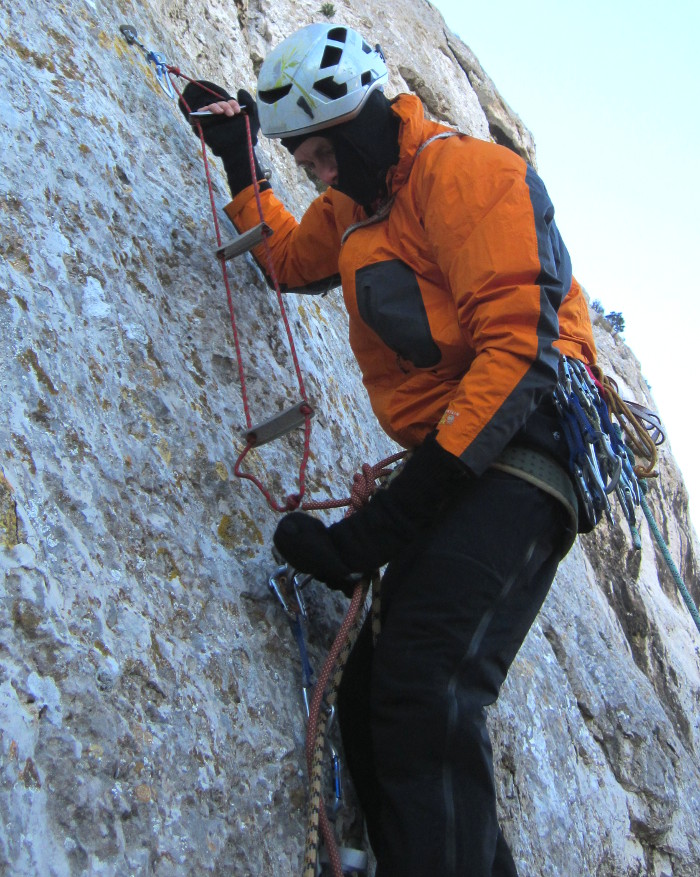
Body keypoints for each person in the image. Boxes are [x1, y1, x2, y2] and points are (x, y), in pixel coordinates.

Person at [180, 22, 597, 877]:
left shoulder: (468, 175)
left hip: (526, 445)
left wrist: (377, 532)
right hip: (468, 458)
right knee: (377, 695)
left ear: (364, 120)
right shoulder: (356, 204)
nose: (319, 175)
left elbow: (519, 351)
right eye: (308, 161)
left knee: (426, 687)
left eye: (325, 155)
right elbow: (293, 262)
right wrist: (241, 158)